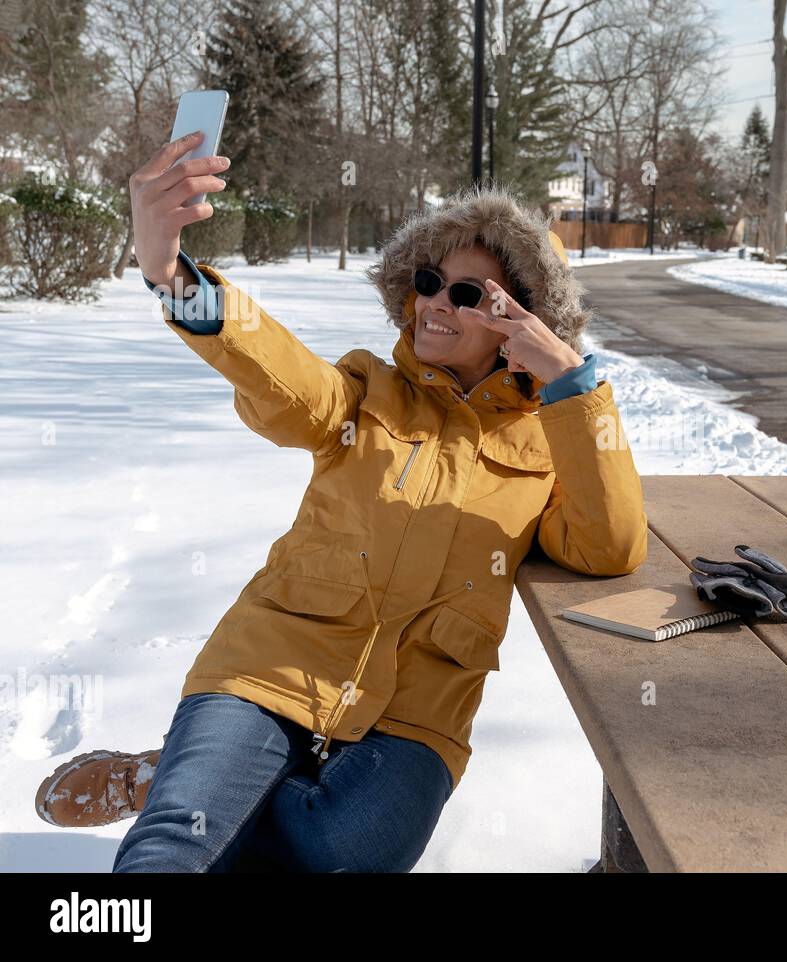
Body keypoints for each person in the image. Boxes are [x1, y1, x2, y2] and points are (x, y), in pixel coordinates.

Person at [33, 131, 648, 872]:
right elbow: (288, 379)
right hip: (272, 667)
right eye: (427, 281)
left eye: (468, 294)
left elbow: (609, 545)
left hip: (416, 717)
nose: (436, 304)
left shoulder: (551, 441)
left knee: (336, 854)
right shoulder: (365, 387)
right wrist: (175, 278)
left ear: (523, 318)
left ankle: (174, 776)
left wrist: (572, 387)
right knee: (174, 852)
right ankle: (193, 789)